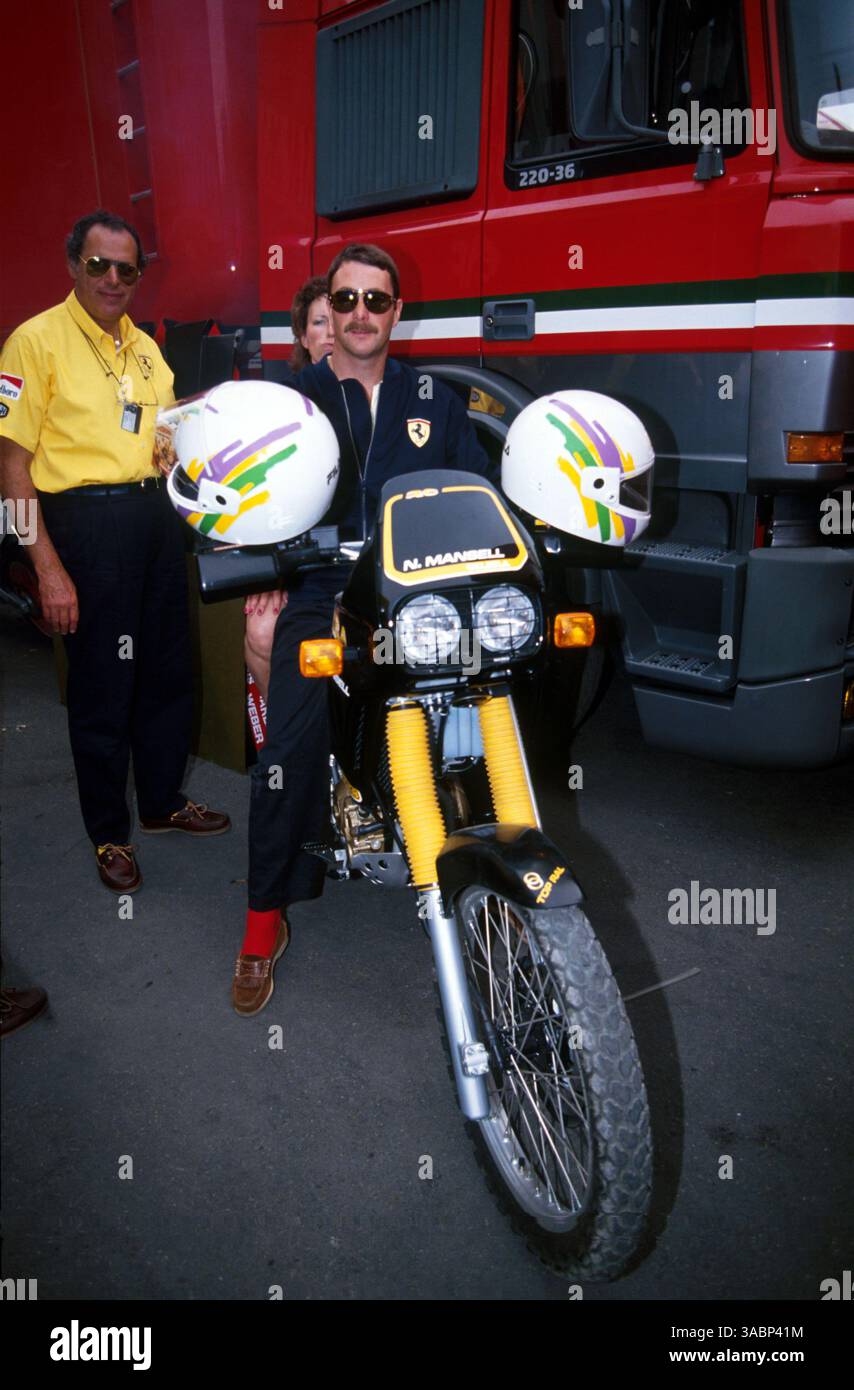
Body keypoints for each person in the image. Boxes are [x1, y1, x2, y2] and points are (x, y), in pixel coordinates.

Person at [232, 243, 496, 1016]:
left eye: (374, 302)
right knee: (288, 740)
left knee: (500, 682)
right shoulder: (295, 398)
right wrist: (267, 578)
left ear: (397, 311)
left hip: (415, 591)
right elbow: (253, 497)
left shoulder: (434, 399)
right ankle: (261, 920)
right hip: (323, 592)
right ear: (331, 311)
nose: (357, 316)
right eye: (343, 301)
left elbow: (474, 487)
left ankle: (487, 867)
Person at [0, 210, 229, 895]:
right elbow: (11, 468)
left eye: (126, 269)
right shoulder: (32, 343)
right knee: (103, 689)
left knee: (166, 673)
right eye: (98, 264)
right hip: (84, 528)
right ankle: (109, 833)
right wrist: (45, 565)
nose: (112, 279)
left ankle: (160, 804)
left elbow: (160, 446)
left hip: (155, 522)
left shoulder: (146, 350)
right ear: (73, 264)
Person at [244, 276, 333, 703]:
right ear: (302, 336)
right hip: (299, 561)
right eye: (319, 323)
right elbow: (258, 498)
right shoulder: (278, 406)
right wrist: (269, 572)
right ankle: (289, 747)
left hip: (362, 561)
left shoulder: (391, 397)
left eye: (339, 320)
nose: (332, 332)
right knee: (262, 631)